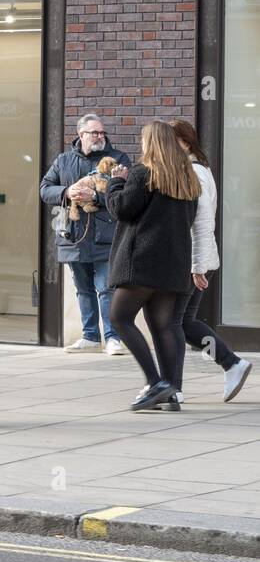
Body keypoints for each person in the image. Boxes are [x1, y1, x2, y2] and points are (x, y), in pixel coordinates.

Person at [104, 121, 202, 412]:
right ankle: (171, 394)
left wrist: (115, 183)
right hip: (173, 265)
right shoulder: (188, 179)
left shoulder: (143, 172)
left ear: (152, 144)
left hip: (141, 263)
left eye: (144, 140)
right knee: (163, 326)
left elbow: (122, 209)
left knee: (119, 318)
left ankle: (155, 381)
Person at [169, 120, 251, 402]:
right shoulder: (193, 170)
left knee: (173, 323)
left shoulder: (195, 173)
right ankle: (232, 364)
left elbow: (202, 223)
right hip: (195, 261)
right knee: (182, 323)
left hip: (194, 262)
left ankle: (174, 389)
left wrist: (196, 267)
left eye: (171, 141)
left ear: (185, 143)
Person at [40, 113, 131, 355]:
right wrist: (68, 191)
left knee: (106, 287)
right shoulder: (64, 160)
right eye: (95, 133)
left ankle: (112, 338)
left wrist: (96, 197)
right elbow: (45, 190)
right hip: (74, 237)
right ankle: (90, 336)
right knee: (83, 289)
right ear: (81, 135)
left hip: (106, 236)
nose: (101, 136)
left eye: (102, 132)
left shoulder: (118, 159)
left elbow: (127, 195)